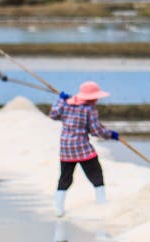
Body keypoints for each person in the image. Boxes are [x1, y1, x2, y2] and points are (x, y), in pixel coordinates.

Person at [49, 81, 119, 217]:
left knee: (65, 177)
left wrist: (60, 100)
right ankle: (102, 202)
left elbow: (53, 115)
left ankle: (58, 208)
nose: (97, 100)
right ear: (91, 98)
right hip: (82, 148)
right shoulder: (90, 110)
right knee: (96, 174)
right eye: (96, 97)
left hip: (66, 148)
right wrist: (111, 134)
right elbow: (96, 131)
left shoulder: (66, 104)